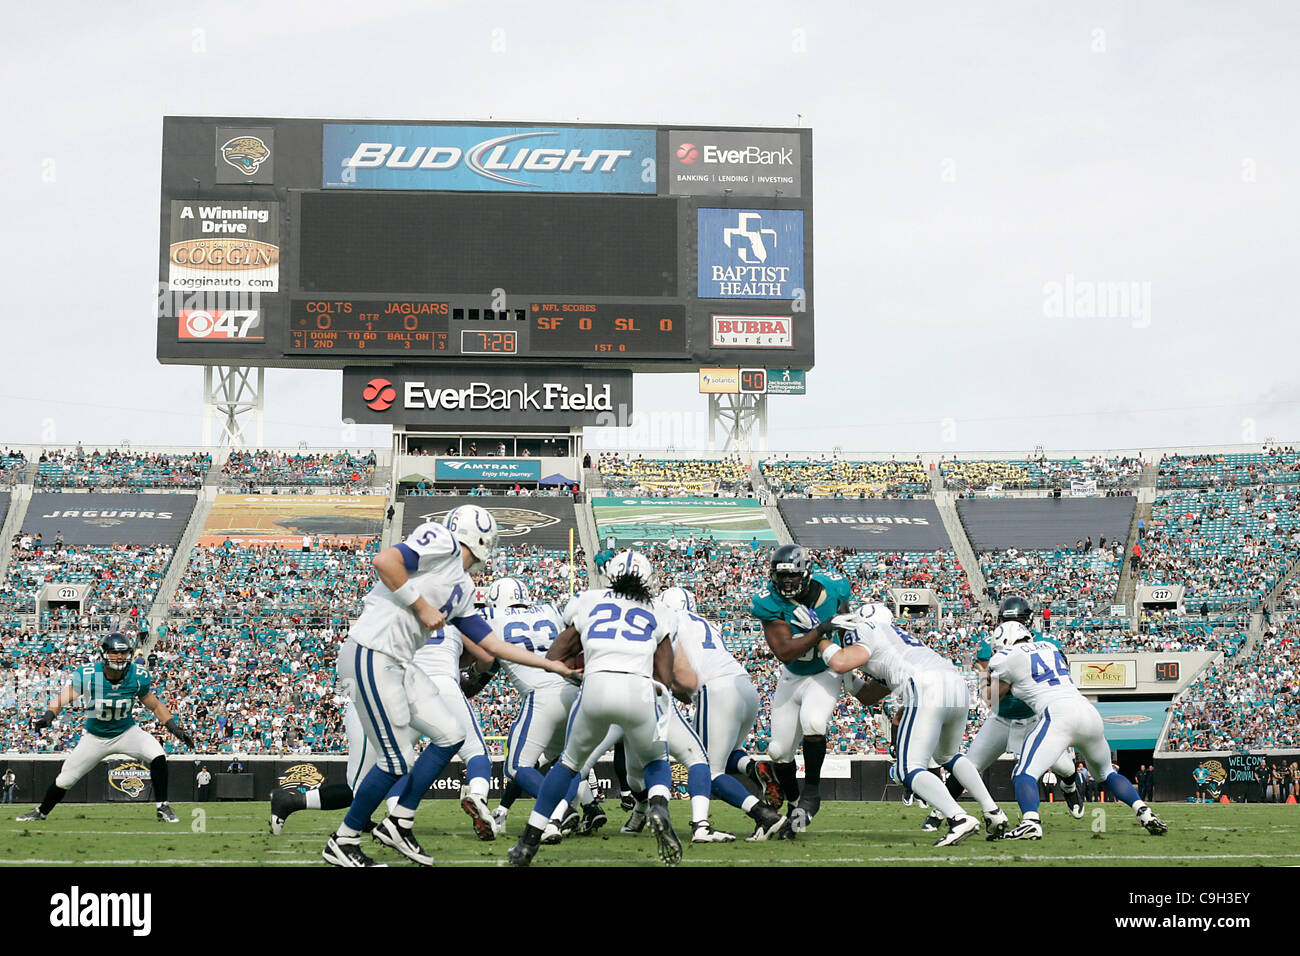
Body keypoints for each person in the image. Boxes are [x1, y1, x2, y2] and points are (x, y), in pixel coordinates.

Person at [320, 505, 576, 867]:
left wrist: (550, 664)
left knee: (451, 733)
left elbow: (492, 645)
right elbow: (385, 561)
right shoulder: (443, 542)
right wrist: (422, 607)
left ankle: (399, 822)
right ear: (482, 539)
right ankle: (344, 840)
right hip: (371, 651)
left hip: (398, 663)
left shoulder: (463, 586)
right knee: (396, 760)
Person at [506, 551, 681, 867]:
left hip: (596, 686)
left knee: (568, 765)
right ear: (648, 579)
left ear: (611, 575)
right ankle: (658, 805)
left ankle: (528, 842)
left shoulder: (587, 600)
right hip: (639, 689)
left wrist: (578, 669)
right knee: (656, 760)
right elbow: (665, 677)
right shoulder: (660, 610)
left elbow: (555, 655)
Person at [817, 603, 1009, 847]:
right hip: (955, 684)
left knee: (906, 769)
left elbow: (840, 661)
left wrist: (818, 636)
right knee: (948, 755)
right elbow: (868, 695)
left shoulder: (866, 628)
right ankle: (993, 812)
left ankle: (958, 817)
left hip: (926, 685)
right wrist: (848, 677)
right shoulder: (895, 644)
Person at [985, 621, 1167, 840]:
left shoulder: (1005, 657)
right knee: (1107, 773)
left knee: (1023, 773)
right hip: (1088, 711)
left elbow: (992, 697)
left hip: (1058, 714)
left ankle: (1030, 822)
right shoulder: (1050, 647)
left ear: (1004, 642)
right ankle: (1143, 811)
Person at [750, 544, 871, 837]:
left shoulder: (833, 587)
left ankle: (812, 792)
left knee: (814, 723)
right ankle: (794, 804)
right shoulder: (769, 601)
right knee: (778, 751)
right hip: (792, 675)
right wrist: (820, 629)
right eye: (782, 576)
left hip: (825, 672)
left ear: (806, 573)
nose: (787, 581)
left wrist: (847, 659)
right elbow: (785, 652)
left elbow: (846, 622)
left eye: (792, 575)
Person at [17, 633, 195, 824]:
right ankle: (41, 812)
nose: (119, 657)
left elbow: (155, 705)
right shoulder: (88, 675)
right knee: (65, 779)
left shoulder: (137, 676)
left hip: (127, 733)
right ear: (104, 653)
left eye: (123, 652)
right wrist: (49, 716)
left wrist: (174, 728)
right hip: (96, 737)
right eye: (114, 652)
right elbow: (62, 698)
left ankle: (162, 807)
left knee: (158, 755)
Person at [938, 596, 1084, 830]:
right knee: (970, 765)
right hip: (1002, 718)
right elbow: (991, 695)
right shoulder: (989, 646)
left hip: (1035, 719)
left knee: (1066, 769)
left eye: (1019, 620)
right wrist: (1002, 680)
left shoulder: (1046, 644)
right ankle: (940, 810)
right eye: (1009, 621)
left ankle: (1069, 787)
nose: (1014, 625)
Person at [487, 578, 607, 840]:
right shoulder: (550, 609)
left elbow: (485, 660)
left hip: (541, 694)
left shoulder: (492, 617)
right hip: (573, 690)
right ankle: (561, 817)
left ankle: (558, 810)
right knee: (566, 763)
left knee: (516, 766)